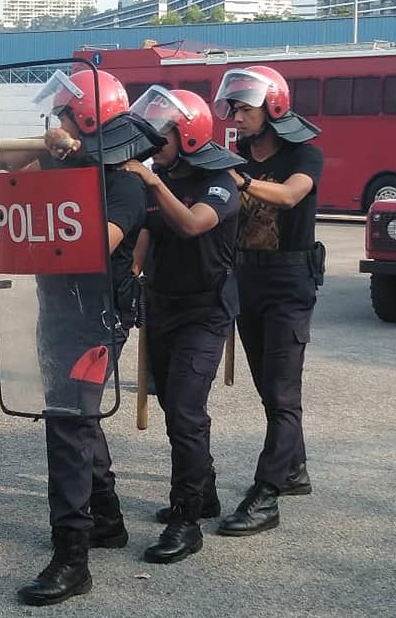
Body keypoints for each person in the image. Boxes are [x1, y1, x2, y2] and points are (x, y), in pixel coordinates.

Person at [9, 69, 163, 606]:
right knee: (79, 418)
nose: (56, 119)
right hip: (56, 308)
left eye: (63, 114)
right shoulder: (62, 161)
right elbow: (4, 165)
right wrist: (46, 145)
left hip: (97, 320)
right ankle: (107, 519)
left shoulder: (123, 183)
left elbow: (93, 242)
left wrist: (64, 168)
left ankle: (71, 558)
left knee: (68, 428)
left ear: (89, 119)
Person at [121, 86, 244, 563]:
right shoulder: (161, 175)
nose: (154, 145)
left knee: (187, 412)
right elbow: (147, 232)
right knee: (174, 405)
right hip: (163, 306)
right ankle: (205, 492)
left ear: (188, 135)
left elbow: (194, 224)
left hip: (205, 312)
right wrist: (132, 271)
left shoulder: (219, 180)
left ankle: (186, 519)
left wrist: (152, 183)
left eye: (162, 136)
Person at [210, 66, 324, 537]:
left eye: (245, 109)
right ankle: (293, 469)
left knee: (282, 394)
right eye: (233, 108)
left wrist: (240, 182)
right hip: (246, 280)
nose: (236, 117)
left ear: (273, 108)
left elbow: (291, 196)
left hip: (289, 282)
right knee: (267, 388)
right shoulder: (236, 157)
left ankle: (267, 494)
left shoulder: (304, 155)